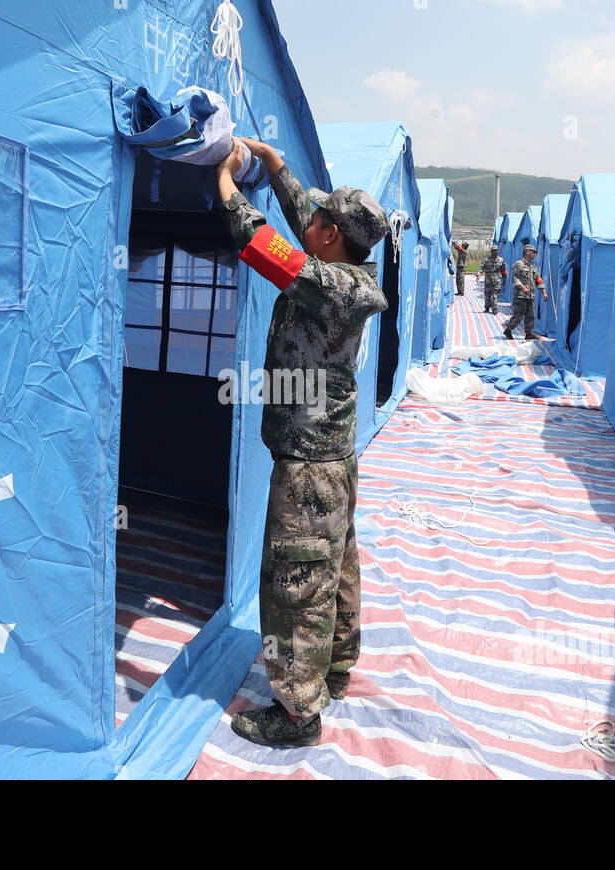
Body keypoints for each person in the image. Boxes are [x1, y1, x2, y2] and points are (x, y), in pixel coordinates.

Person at [213, 137, 389, 747]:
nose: (307, 220)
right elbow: (302, 222)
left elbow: (267, 247)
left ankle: (297, 713)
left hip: (310, 463)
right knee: (334, 562)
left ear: (331, 235)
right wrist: (275, 164)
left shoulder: (329, 286)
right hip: (332, 457)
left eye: (317, 219)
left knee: (296, 582)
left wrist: (226, 183)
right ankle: (336, 666)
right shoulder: (346, 270)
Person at [503, 244, 549, 340]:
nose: (534, 254)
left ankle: (529, 333)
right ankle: (508, 329)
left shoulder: (533, 266)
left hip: (530, 296)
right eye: (533, 252)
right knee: (518, 315)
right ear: (527, 252)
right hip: (520, 296)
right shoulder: (519, 264)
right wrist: (523, 288)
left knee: (531, 316)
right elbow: (515, 278)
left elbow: (538, 280)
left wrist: (544, 292)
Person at [479, 244, 507, 315]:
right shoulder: (486, 260)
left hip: (497, 280)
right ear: (491, 251)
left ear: (498, 251)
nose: (494, 252)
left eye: (496, 250)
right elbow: (481, 267)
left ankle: (494, 309)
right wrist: (478, 274)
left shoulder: (501, 260)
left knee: (496, 294)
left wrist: (504, 279)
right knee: (487, 294)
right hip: (488, 280)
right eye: (493, 251)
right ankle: (487, 307)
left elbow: (503, 270)